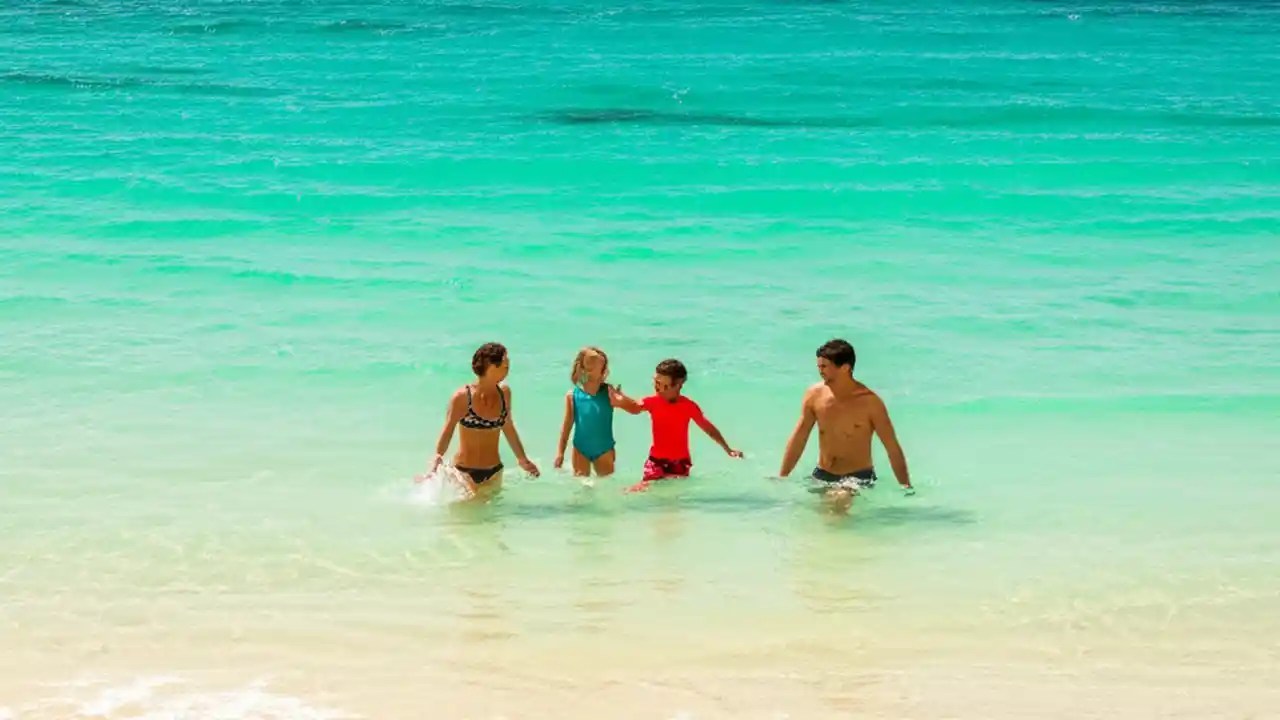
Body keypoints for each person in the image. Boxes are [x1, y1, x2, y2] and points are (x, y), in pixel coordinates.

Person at [778, 339, 912, 507]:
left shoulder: (870, 402)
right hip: (822, 475)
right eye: (819, 366)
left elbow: (892, 446)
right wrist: (782, 476)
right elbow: (800, 436)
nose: (820, 371)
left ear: (845, 368)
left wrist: (905, 485)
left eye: (824, 367)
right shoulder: (814, 395)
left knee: (834, 511)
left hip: (856, 477)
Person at [420, 342, 539, 496]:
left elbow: (508, 426)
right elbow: (448, 430)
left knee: (489, 517)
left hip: (494, 471)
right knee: (468, 513)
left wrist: (523, 460)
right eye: (504, 361)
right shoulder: (462, 397)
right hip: (464, 471)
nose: (508, 364)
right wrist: (436, 460)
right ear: (491, 367)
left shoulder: (504, 393)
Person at [616, 358, 742, 491]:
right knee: (646, 488)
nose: (657, 388)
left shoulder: (688, 406)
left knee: (673, 498)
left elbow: (707, 428)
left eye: (663, 385)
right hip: (656, 461)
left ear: (678, 385)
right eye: (656, 383)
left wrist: (728, 449)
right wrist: (621, 400)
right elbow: (635, 407)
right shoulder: (653, 402)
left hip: (680, 463)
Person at [554, 346, 629, 478]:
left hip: (604, 450)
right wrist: (560, 453)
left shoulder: (609, 392)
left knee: (607, 489)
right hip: (580, 449)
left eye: (603, 366)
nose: (604, 370)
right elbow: (566, 427)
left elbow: (631, 408)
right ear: (583, 369)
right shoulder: (573, 396)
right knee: (582, 489)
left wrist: (622, 400)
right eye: (600, 367)